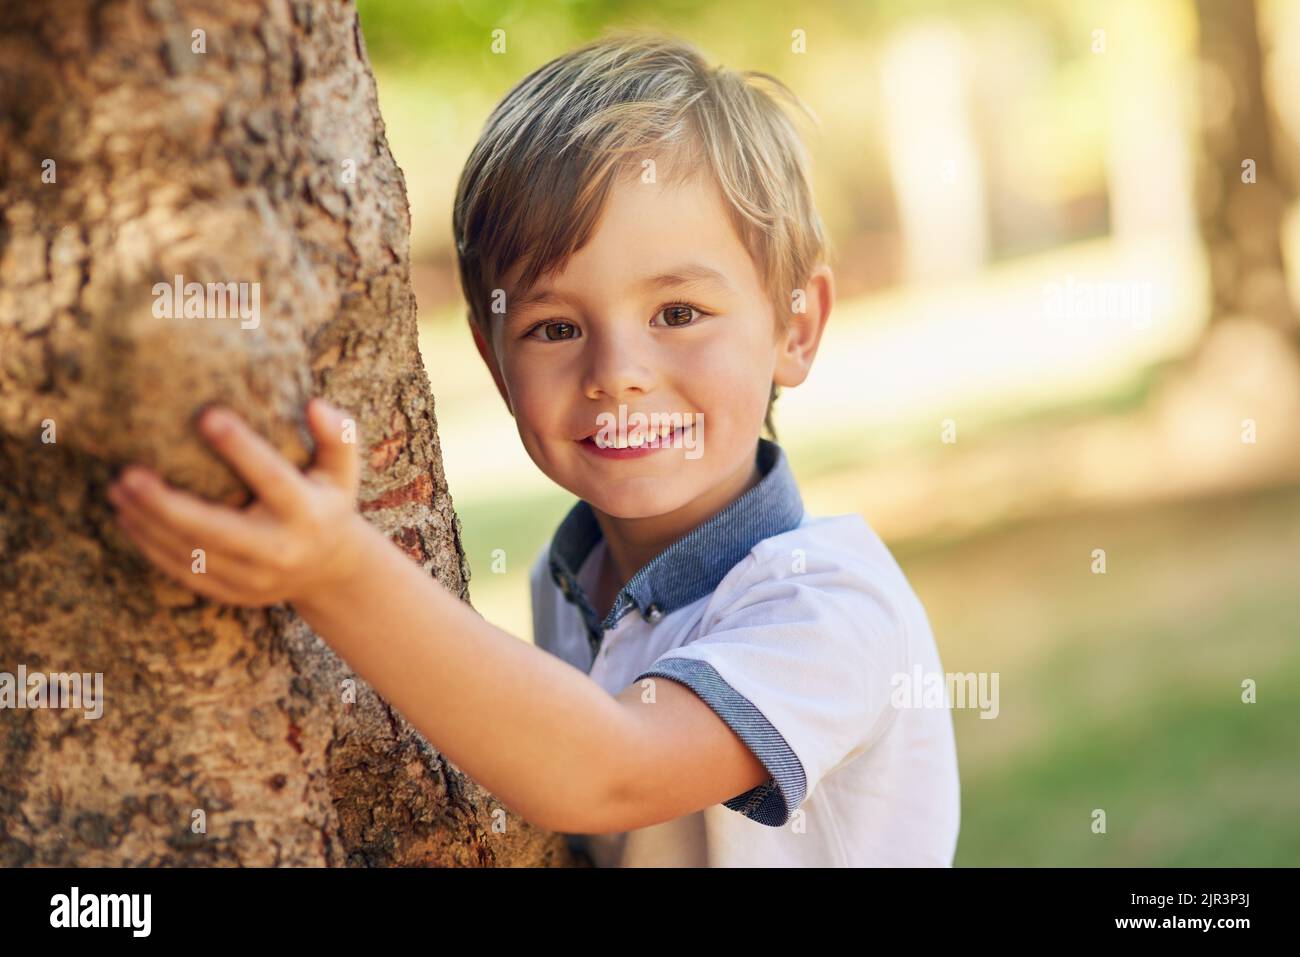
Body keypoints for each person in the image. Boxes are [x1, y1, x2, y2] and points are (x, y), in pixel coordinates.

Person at [107, 29, 960, 866]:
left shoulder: (834, 606)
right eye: (557, 327)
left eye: (678, 313)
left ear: (796, 327)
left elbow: (612, 772)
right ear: (494, 357)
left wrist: (335, 570)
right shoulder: (572, 582)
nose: (617, 374)